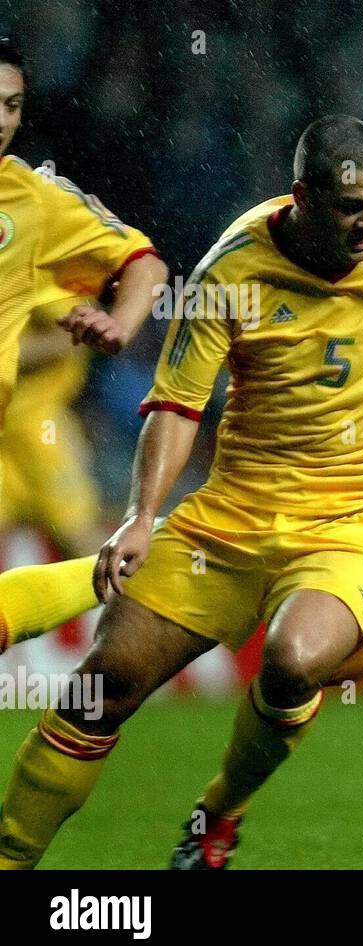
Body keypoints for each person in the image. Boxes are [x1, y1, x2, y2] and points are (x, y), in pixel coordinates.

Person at [0, 114, 363, 869]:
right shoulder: (234, 269)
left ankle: (219, 813)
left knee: (293, 657)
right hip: (234, 513)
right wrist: (141, 517)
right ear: (302, 197)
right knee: (104, 682)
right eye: (353, 207)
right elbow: (178, 404)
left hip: (359, 520)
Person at [0, 36, 168, 654]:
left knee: (83, 542)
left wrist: (121, 324)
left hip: (33, 427)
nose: (1, 120)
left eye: (12, 105)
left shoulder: (33, 206)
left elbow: (143, 261)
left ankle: (127, 660)